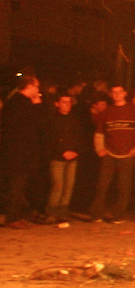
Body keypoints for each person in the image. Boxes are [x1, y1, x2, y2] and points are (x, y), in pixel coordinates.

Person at [0, 76, 48, 227]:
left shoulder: (16, 102)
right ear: (29, 86)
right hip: (18, 152)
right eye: (37, 86)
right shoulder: (19, 103)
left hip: (21, 151)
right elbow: (36, 124)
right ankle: (12, 217)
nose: (38, 90)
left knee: (20, 185)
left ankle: (17, 214)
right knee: (16, 184)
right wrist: (37, 105)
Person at [44, 92, 85, 223]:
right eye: (64, 102)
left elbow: (80, 138)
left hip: (73, 157)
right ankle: (51, 212)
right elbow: (49, 140)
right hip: (58, 157)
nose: (67, 105)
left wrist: (76, 151)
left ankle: (63, 212)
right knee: (58, 185)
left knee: (69, 186)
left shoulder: (75, 119)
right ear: (57, 103)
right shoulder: (52, 119)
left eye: (69, 102)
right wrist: (62, 152)